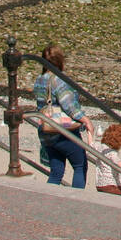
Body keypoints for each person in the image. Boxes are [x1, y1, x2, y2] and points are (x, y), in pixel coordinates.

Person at [32, 44, 94, 188]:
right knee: (80, 165)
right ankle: (75, 200)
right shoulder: (59, 80)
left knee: (56, 171)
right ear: (60, 61)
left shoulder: (40, 80)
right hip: (63, 131)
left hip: (47, 130)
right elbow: (69, 105)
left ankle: (48, 199)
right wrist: (86, 120)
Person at [88, 123, 121, 196]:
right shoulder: (112, 153)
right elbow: (117, 162)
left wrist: (89, 132)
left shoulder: (100, 146)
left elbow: (90, 144)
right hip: (110, 184)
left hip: (100, 183)